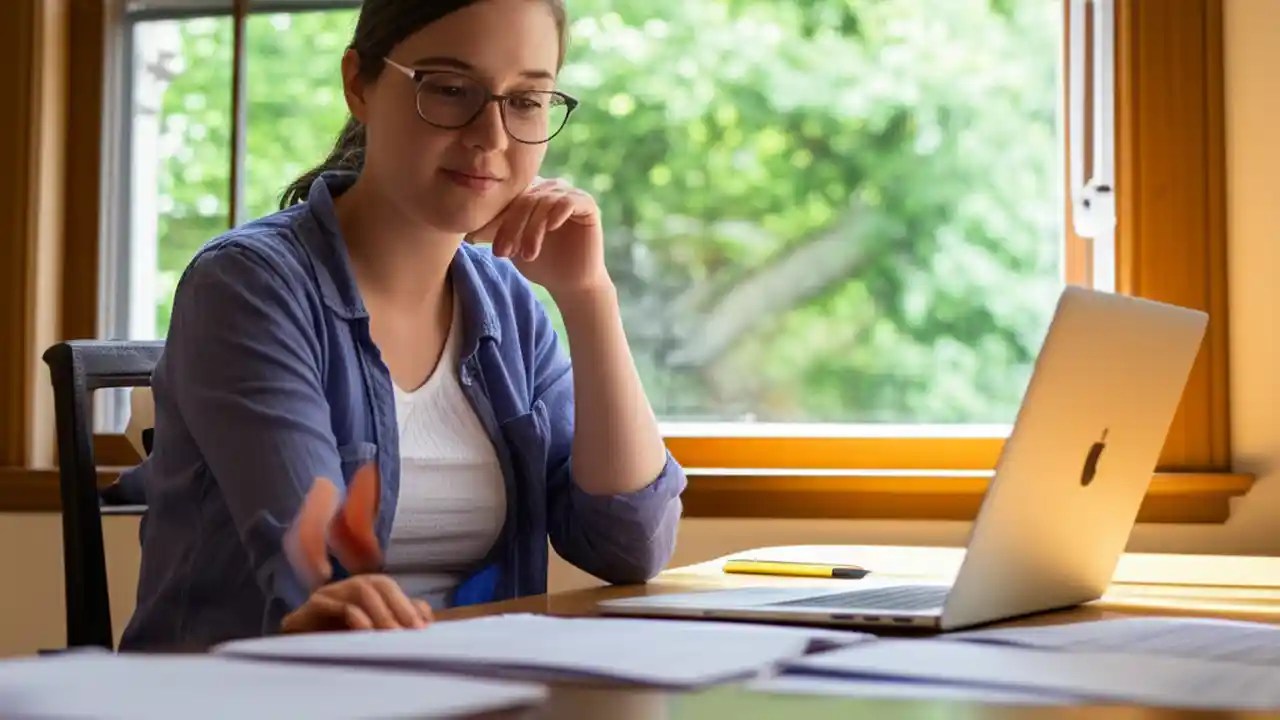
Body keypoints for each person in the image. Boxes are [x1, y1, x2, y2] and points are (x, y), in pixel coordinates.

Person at [119, 0, 686, 650]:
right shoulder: (250, 286)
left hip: (466, 689)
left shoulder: (507, 303)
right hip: (261, 695)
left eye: (526, 101)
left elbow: (630, 547)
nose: (491, 137)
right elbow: (318, 575)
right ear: (359, 84)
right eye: (449, 90)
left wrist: (589, 298)